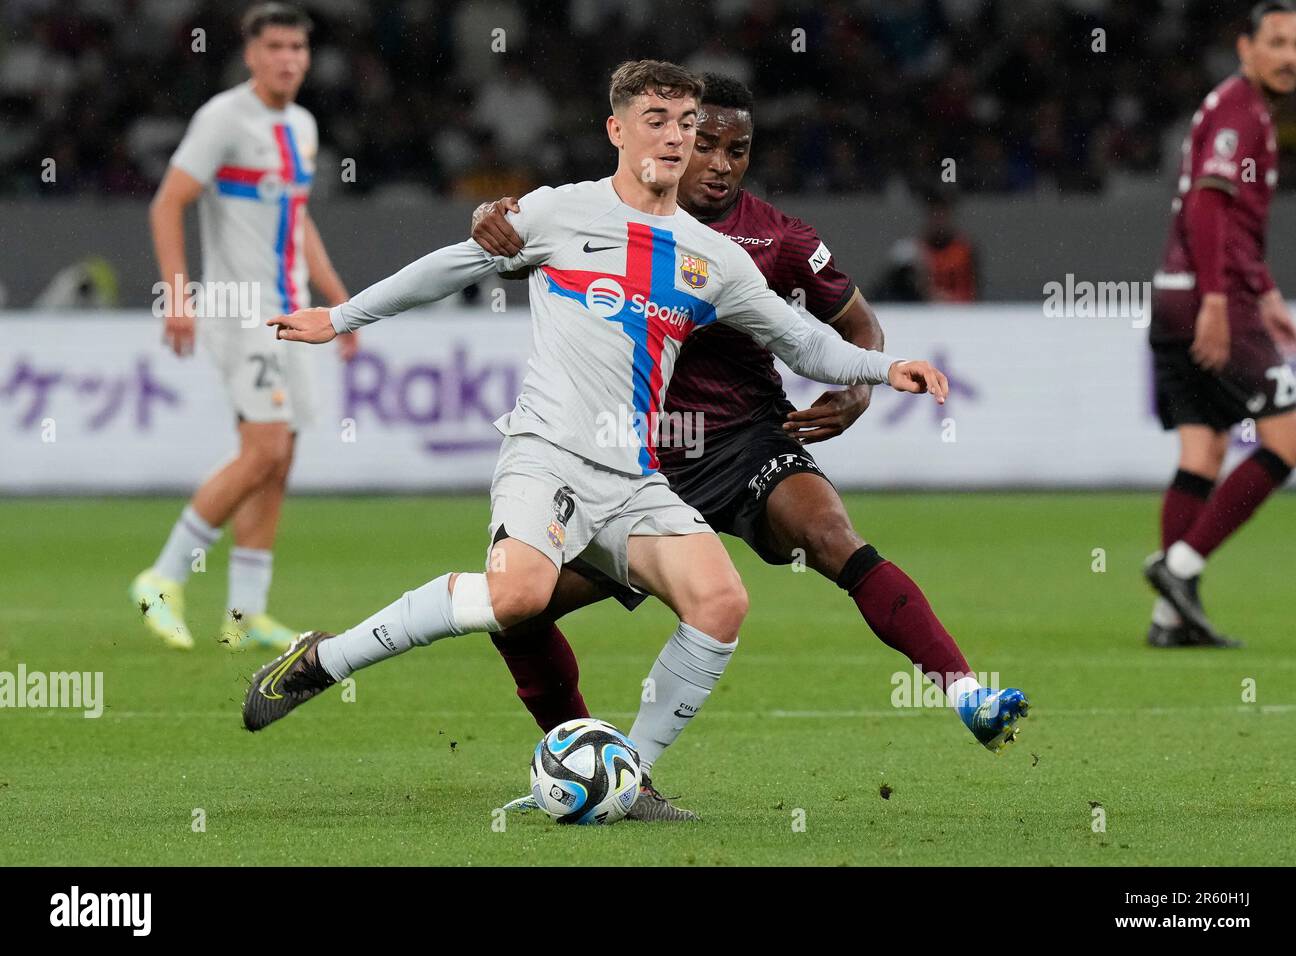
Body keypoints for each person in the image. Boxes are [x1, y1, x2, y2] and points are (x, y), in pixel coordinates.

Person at [240, 60, 949, 823]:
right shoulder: (557, 213)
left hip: (636, 476)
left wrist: (884, 366)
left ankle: (628, 776)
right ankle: (324, 660)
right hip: (547, 453)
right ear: (617, 130)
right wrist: (340, 318)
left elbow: (803, 344)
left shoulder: (716, 261)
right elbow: (451, 267)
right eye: (658, 121)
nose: (676, 138)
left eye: (685, 124)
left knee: (719, 601)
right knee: (518, 598)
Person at [472, 74, 1029, 821]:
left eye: (738, 149)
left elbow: (858, 329)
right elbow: (509, 239)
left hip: (749, 441)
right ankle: (598, 767)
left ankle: (967, 693)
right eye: (706, 144)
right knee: (519, 611)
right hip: (645, 462)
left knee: (833, 535)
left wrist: (860, 390)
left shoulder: (782, 239)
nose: (722, 163)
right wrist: (488, 217)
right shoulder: (609, 217)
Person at [132, 3, 357, 652]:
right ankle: (161, 577)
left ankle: (243, 615)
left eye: (298, 47)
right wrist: (179, 295)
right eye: (276, 46)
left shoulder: (303, 126)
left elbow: (299, 219)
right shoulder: (223, 119)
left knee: (280, 459)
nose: (288, 57)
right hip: (239, 309)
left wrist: (338, 302)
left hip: (292, 313)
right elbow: (168, 201)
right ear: (253, 55)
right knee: (262, 450)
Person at [1144, 1, 1296, 648]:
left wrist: (1262, 291)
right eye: (1277, 42)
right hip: (1210, 301)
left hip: (1176, 294)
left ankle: (1169, 619)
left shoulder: (1238, 106)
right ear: (1246, 48)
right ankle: (1179, 569)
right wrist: (1220, 300)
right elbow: (1210, 206)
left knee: (1202, 451)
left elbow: (1230, 223)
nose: (1291, 56)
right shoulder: (1242, 110)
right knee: (1288, 441)